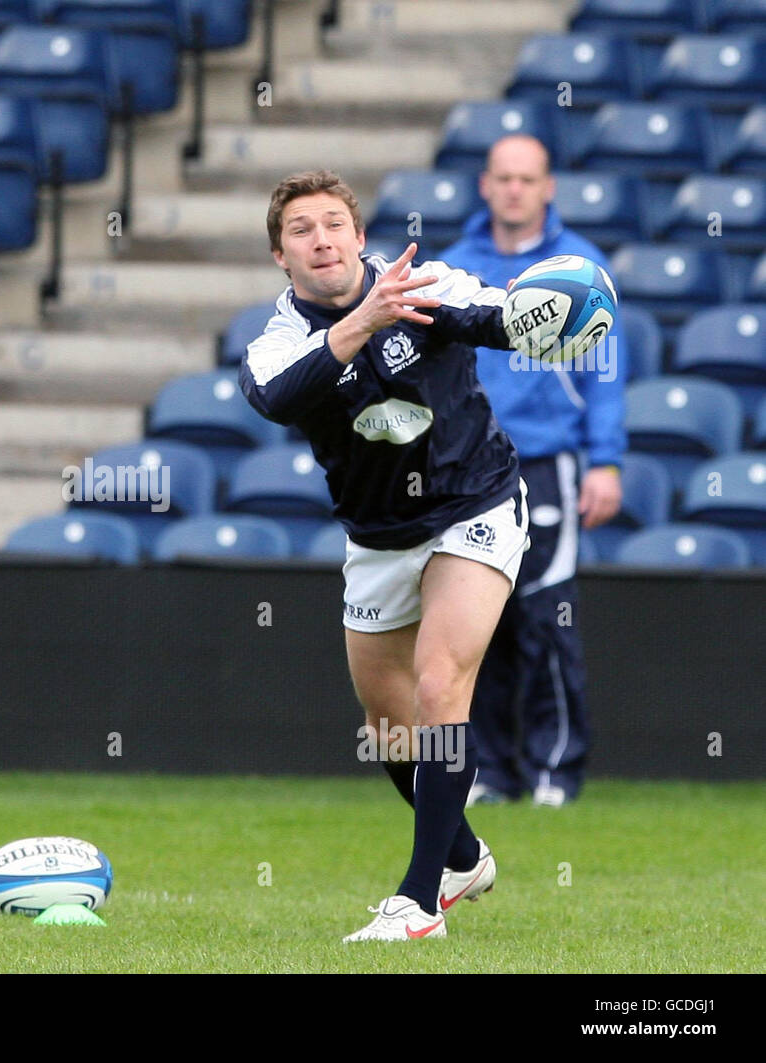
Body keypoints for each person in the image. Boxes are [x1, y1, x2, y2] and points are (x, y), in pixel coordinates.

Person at [240, 170, 528, 941]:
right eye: (302, 229)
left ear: (360, 237)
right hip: (376, 539)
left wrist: (549, 315)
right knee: (387, 729)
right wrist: (362, 323)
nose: (322, 238)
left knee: (440, 685)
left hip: (475, 504)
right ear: (280, 257)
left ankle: (418, 903)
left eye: (335, 223)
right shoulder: (277, 338)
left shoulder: (422, 282)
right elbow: (273, 396)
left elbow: (501, 315)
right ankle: (462, 856)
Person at [442, 134, 627, 807]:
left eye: (528, 178)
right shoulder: (456, 267)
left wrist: (605, 461)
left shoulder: (581, 268)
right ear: (485, 186)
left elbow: (606, 373)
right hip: (468, 470)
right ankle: (488, 771)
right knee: (473, 626)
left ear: (548, 187)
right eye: (504, 177)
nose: (515, 189)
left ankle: (554, 770)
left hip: (549, 464)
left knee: (549, 619)